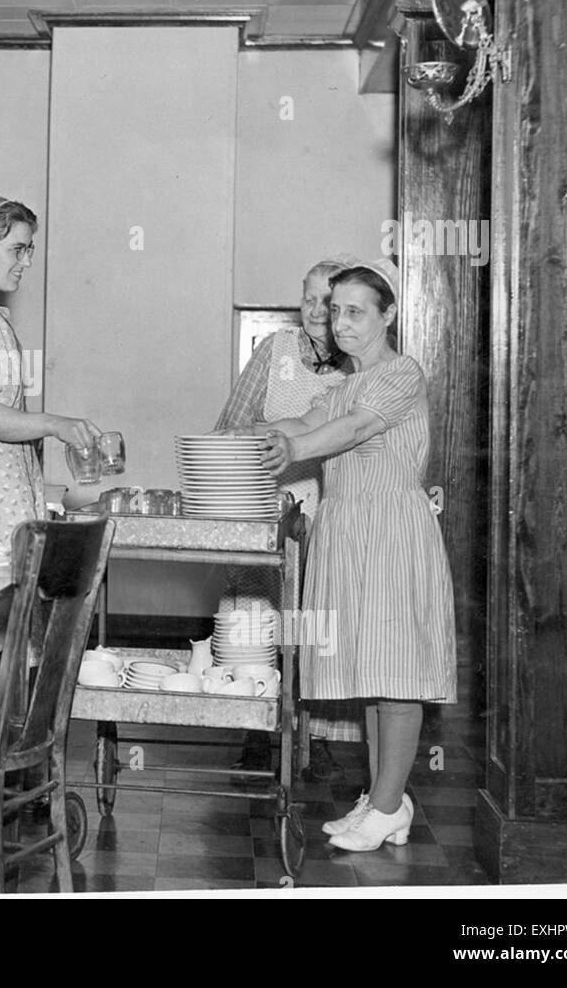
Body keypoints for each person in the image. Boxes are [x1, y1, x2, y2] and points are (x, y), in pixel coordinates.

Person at [256, 259, 456, 851]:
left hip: (391, 527)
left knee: (397, 671)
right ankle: (382, 801)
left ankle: (391, 804)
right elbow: (309, 418)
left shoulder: (401, 373)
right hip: (347, 527)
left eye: (355, 312)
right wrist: (251, 438)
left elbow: (346, 433)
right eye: (333, 310)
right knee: (371, 671)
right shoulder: (342, 384)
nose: (339, 323)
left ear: (388, 314)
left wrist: (293, 445)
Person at [215, 256, 365, 779]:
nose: (315, 310)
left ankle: (312, 734)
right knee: (256, 616)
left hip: (331, 509)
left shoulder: (358, 366)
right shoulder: (274, 351)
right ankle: (255, 729)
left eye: (326, 300)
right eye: (306, 298)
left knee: (317, 624)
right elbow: (230, 429)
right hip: (267, 503)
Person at [0, 195, 100, 549]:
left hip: (0, 485)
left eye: (29, 250)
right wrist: (56, 424)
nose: (26, 261)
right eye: (17, 249)